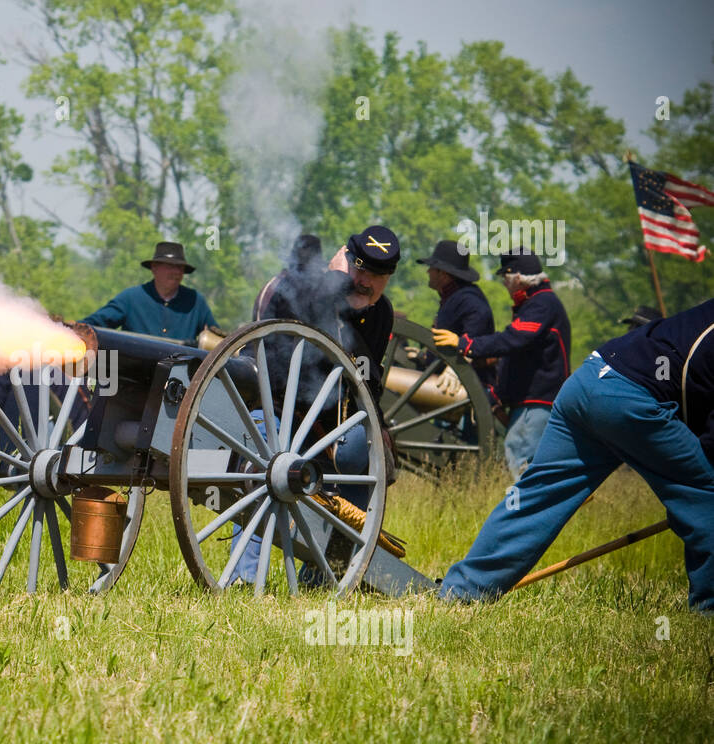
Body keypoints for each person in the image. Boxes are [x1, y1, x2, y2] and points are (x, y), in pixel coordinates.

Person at [438, 298, 714, 613]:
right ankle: (709, 610)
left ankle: (462, 591)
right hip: (631, 398)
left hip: (588, 380)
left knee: (536, 496)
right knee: (707, 496)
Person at [234, 226, 403, 585]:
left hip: (328, 427)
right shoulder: (304, 291)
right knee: (260, 465)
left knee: (364, 452)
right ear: (344, 262)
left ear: (388, 279)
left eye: (377, 276)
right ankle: (245, 578)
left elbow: (367, 378)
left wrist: (380, 429)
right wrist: (334, 280)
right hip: (274, 409)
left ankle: (329, 574)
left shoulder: (381, 314)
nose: (365, 282)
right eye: (359, 270)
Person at [432, 248, 570, 479]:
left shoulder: (542, 304)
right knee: (527, 460)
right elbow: (516, 354)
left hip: (537, 399)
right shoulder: (535, 304)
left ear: (516, 277)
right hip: (529, 398)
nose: (504, 285)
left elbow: (512, 340)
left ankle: (533, 509)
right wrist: (499, 395)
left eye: (505, 278)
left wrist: (465, 344)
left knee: (520, 456)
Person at [82, 241, 218, 341]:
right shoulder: (131, 298)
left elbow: (217, 340)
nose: (176, 272)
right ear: (154, 268)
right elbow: (96, 322)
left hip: (182, 377)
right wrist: (69, 330)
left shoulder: (195, 301)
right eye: (171, 266)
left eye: (180, 268)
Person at [417, 239, 496, 404]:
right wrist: (424, 356)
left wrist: (457, 369)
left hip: (468, 391)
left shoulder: (468, 299)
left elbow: (475, 339)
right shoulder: (454, 297)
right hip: (447, 385)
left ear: (443, 274)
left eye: (432, 268)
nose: (428, 272)